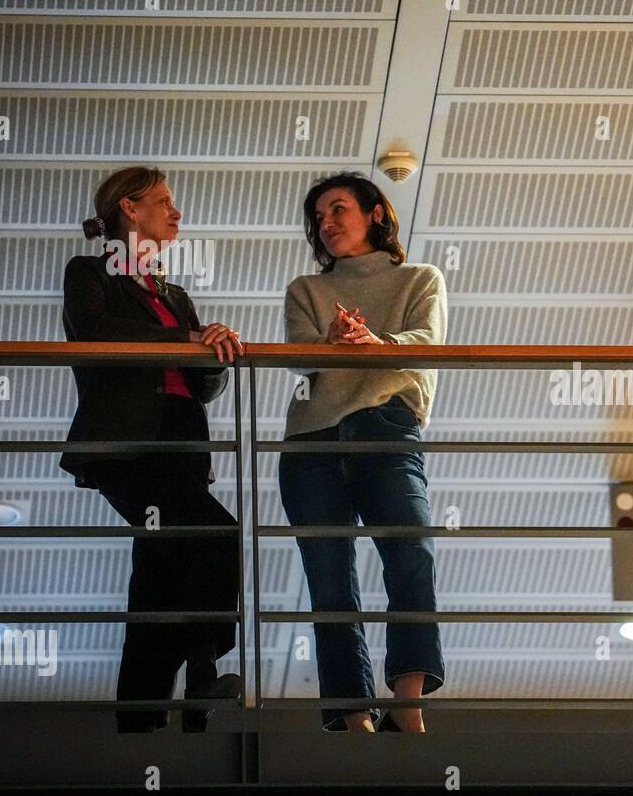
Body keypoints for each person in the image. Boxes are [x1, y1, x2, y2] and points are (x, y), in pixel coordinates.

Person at [61, 165, 245, 733]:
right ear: (130, 209)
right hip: (127, 445)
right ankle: (202, 670)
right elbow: (95, 333)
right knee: (215, 533)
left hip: (182, 440)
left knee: (160, 578)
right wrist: (184, 338)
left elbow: (205, 387)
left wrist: (214, 348)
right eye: (164, 201)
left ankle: (140, 729)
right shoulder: (90, 272)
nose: (177, 211)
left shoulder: (175, 294)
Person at [279, 172, 446, 733]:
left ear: (377, 212)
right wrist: (330, 342)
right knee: (329, 580)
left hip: (386, 429)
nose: (326, 224)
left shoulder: (420, 278)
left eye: (338, 209)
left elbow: (428, 343)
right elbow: (299, 359)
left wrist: (378, 344)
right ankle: (355, 719)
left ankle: (408, 701)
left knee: (411, 552)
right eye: (319, 218)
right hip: (312, 442)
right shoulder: (306, 288)